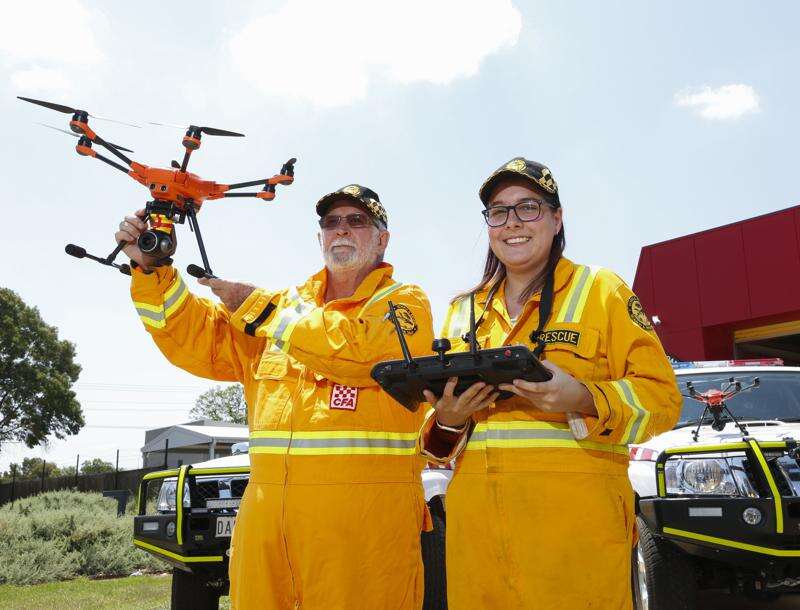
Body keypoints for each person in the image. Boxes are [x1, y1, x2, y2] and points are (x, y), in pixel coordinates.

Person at [116, 184, 434, 610]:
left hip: (364, 532)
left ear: (382, 239)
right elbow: (201, 341)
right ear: (319, 237)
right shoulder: (284, 308)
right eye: (331, 222)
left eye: (357, 221)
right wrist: (154, 269)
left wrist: (262, 310)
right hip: (265, 529)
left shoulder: (403, 304)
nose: (341, 230)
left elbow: (360, 355)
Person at [418, 158, 682, 609]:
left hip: (574, 540)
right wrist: (448, 418)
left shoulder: (602, 291)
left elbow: (662, 398)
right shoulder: (463, 309)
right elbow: (437, 444)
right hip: (479, 543)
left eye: (529, 207)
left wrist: (581, 397)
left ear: (557, 218)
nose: (512, 223)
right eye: (498, 212)